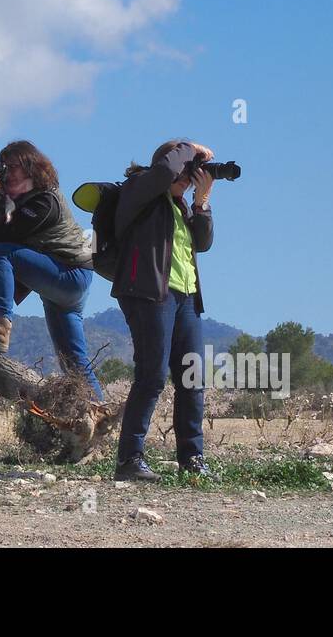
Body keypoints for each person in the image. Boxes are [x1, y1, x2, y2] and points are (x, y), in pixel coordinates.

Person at [0, 140, 103, 400]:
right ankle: (97, 414)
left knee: (4, 252)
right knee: (73, 361)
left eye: (12, 168)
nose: (7, 174)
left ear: (31, 168)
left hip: (71, 275)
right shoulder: (17, 198)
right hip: (60, 283)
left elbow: (4, 235)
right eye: (4, 168)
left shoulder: (46, 199)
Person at [111, 138, 217, 481]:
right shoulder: (140, 191)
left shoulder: (182, 206)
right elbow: (165, 171)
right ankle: (129, 460)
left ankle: (192, 459)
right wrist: (190, 146)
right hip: (149, 294)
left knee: (192, 378)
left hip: (186, 297)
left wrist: (202, 202)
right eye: (185, 170)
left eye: (193, 173)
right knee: (152, 376)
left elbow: (203, 243)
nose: (187, 176)